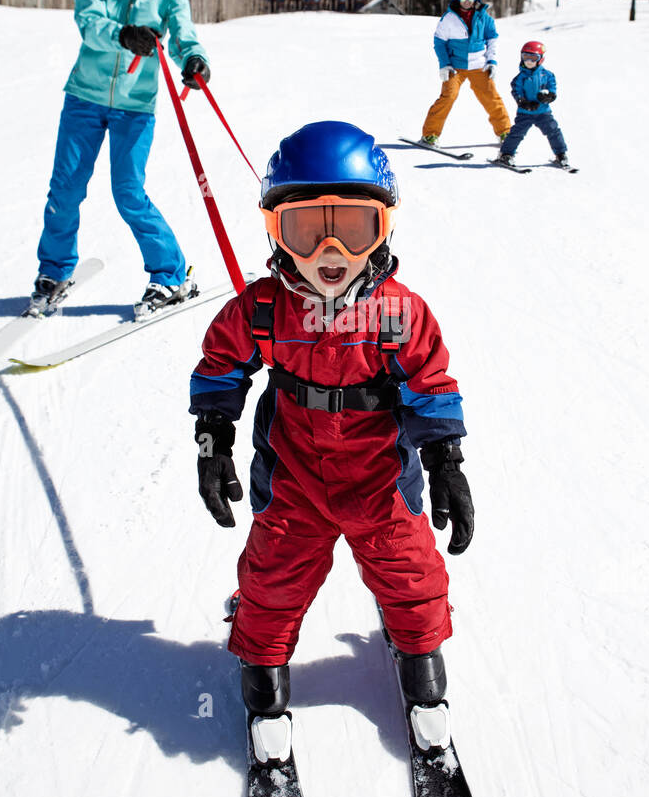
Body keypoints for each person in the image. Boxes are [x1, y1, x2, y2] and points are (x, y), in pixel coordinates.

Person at [188, 120, 475, 738]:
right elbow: (221, 366)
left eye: (350, 229)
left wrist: (446, 461)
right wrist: (214, 438)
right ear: (275, 231)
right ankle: (263, 666)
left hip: (378, 479)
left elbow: (430, 382)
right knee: (272, 574)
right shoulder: (264, 308)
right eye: (304, 231)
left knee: (409, 567)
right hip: (294, 478)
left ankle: (421, 654)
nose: (329, 256)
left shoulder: (398, 313)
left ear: (382, 228)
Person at [30, 0, 212, 320]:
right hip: (84, 98)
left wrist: (194, 60)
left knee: (128, 192)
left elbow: (184, 34)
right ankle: (54, 272)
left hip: (135, 106)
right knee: (65, 189)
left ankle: (170, 274)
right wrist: (122, 35)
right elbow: (87, 19)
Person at [420, 0, 511, 147]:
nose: (467, 0)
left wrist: (492, 61)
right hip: (455, 66)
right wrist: (444, 64)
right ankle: (430, 135)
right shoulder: (449, 18)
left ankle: (505, 132)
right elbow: (439, 42)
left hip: (479, 65)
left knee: (491, 97)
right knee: (448, 97)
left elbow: (492, 39)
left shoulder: (485, 18)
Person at [496, 40, 570, 168]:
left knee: (553, 131)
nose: (529, 61)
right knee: (517, 133)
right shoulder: (519, 78)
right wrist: (523, 102)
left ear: (540, 59)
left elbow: (552, 87)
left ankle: (561, 154)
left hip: (543, 112)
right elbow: (516, 91)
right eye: (525, 56)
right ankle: (506, 155)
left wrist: (549, 96)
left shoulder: (547, 75)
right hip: (525, 113)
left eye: (533, 57)